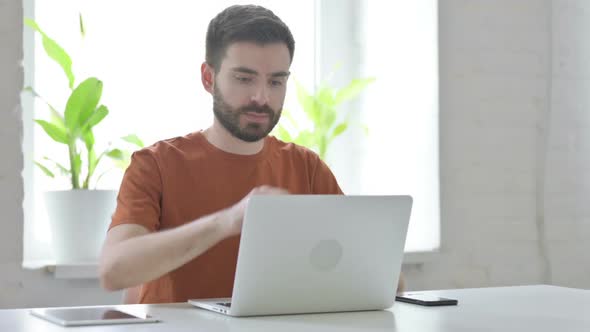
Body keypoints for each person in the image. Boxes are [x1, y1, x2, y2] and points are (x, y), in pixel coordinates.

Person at [99, 4, 402, 304]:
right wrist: (228, 221)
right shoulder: (156, 164)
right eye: (244, 79)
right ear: (209, 78)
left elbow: (387, 281)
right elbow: (114, 272)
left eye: (275, 81)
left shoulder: (307, 167)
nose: (261, 97)